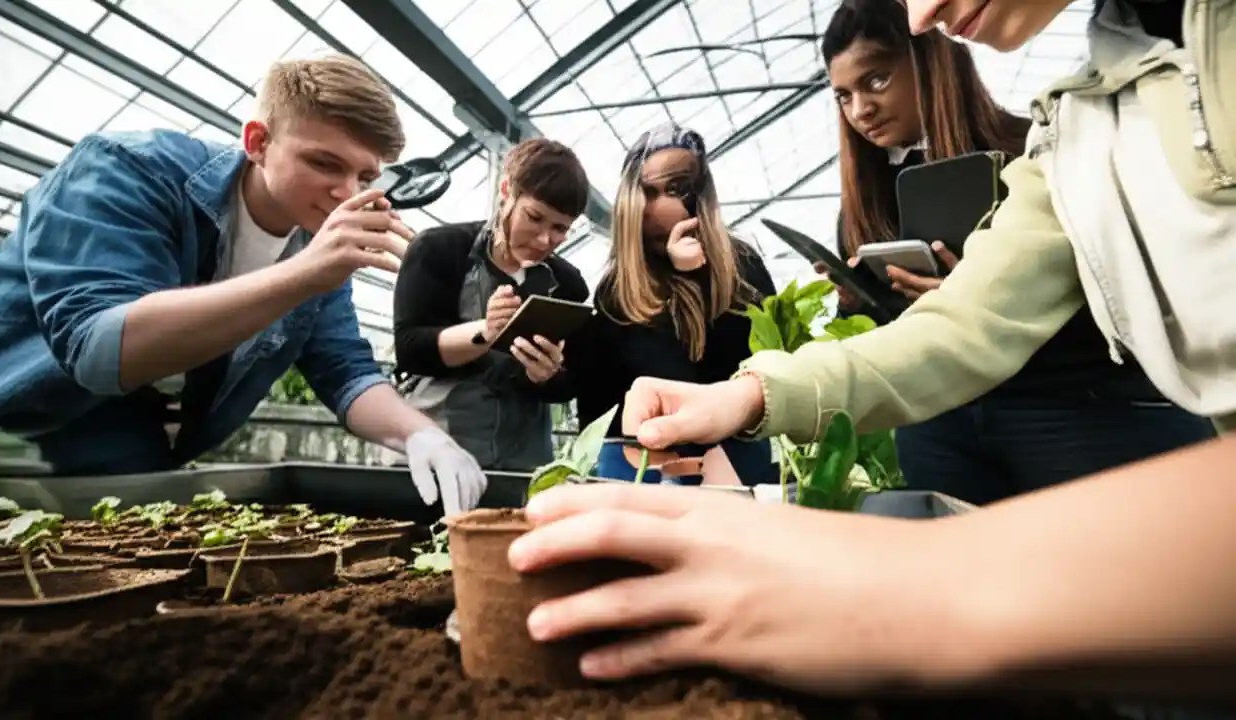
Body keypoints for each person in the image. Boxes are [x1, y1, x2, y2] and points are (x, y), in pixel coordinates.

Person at [504, 0, 1236, 698]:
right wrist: (750, 394)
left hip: (1091, 415)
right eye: (843, 94)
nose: (921, 17)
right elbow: (961, 327)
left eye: (879, 77)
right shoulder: (1080, 128)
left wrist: (903, 579)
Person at [0, 54, 485, 517]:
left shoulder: (314, 251)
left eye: (365, 177)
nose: (346, 192)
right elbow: (98, 351)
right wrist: (306, 273)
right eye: (324, 162)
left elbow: (345, 373)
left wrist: (424, 435)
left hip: (119, 467)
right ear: (258, 142)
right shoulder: (130, 171)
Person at [812, 0, 1213, 505]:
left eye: (876, 81)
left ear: (930, 62)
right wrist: (865, 300)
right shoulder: (863, 206)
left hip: (1078, 405)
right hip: (941, 421)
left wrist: (987, 294)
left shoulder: (1037, 145)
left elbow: (1124, 285)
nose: (860, 110)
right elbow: (903, 347)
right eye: (842, 96)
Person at [564, 123, 777, 485]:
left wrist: (696, 280)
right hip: (640, 464)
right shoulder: (616, 288)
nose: (667, 206)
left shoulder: (739, 265)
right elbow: (601, 397)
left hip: (731, 457)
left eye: (680, 188)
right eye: (651, 191)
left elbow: (756, 367)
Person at [391, 138, 589, 471]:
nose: (544, 239)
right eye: (535, 217)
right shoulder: (439, 250)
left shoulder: (567, 284)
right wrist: (486, 331)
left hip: (521, 461)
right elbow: (411, 349)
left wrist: (547, 376)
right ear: (506, 190)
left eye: (560, 229)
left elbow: (569, 383)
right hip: (437, 450)